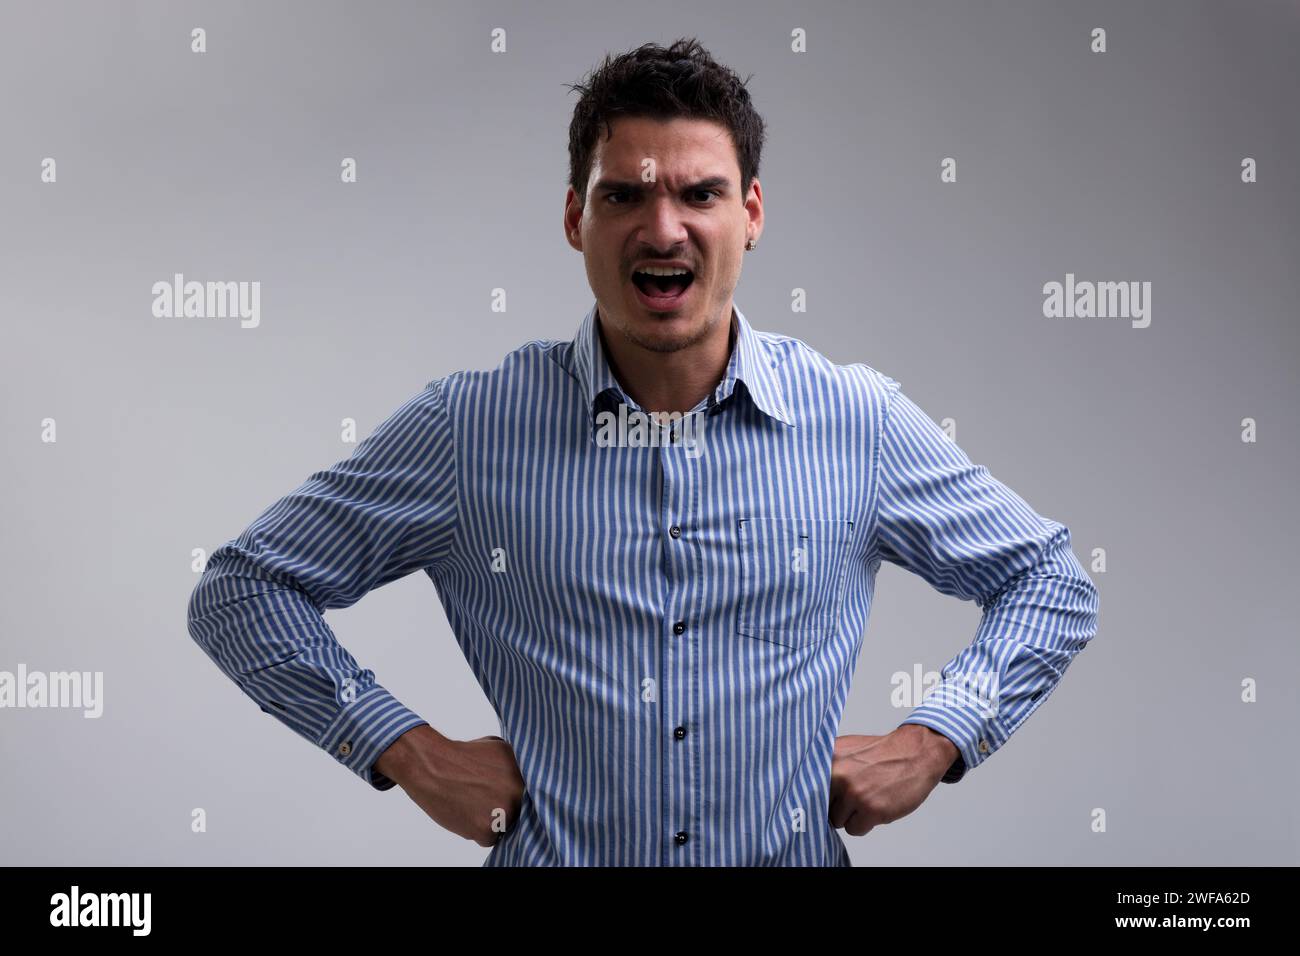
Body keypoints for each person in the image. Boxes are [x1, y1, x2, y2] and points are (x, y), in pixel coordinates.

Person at [187, 37, 1099, 866]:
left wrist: (935, 738)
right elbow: (241, 589)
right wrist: (407, 751)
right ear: (577, 217)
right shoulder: (470, 430)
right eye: (626, 195)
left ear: (750, 214)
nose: (663, 230)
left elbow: (1048, 580)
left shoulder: (855, 420)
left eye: (700, 194)